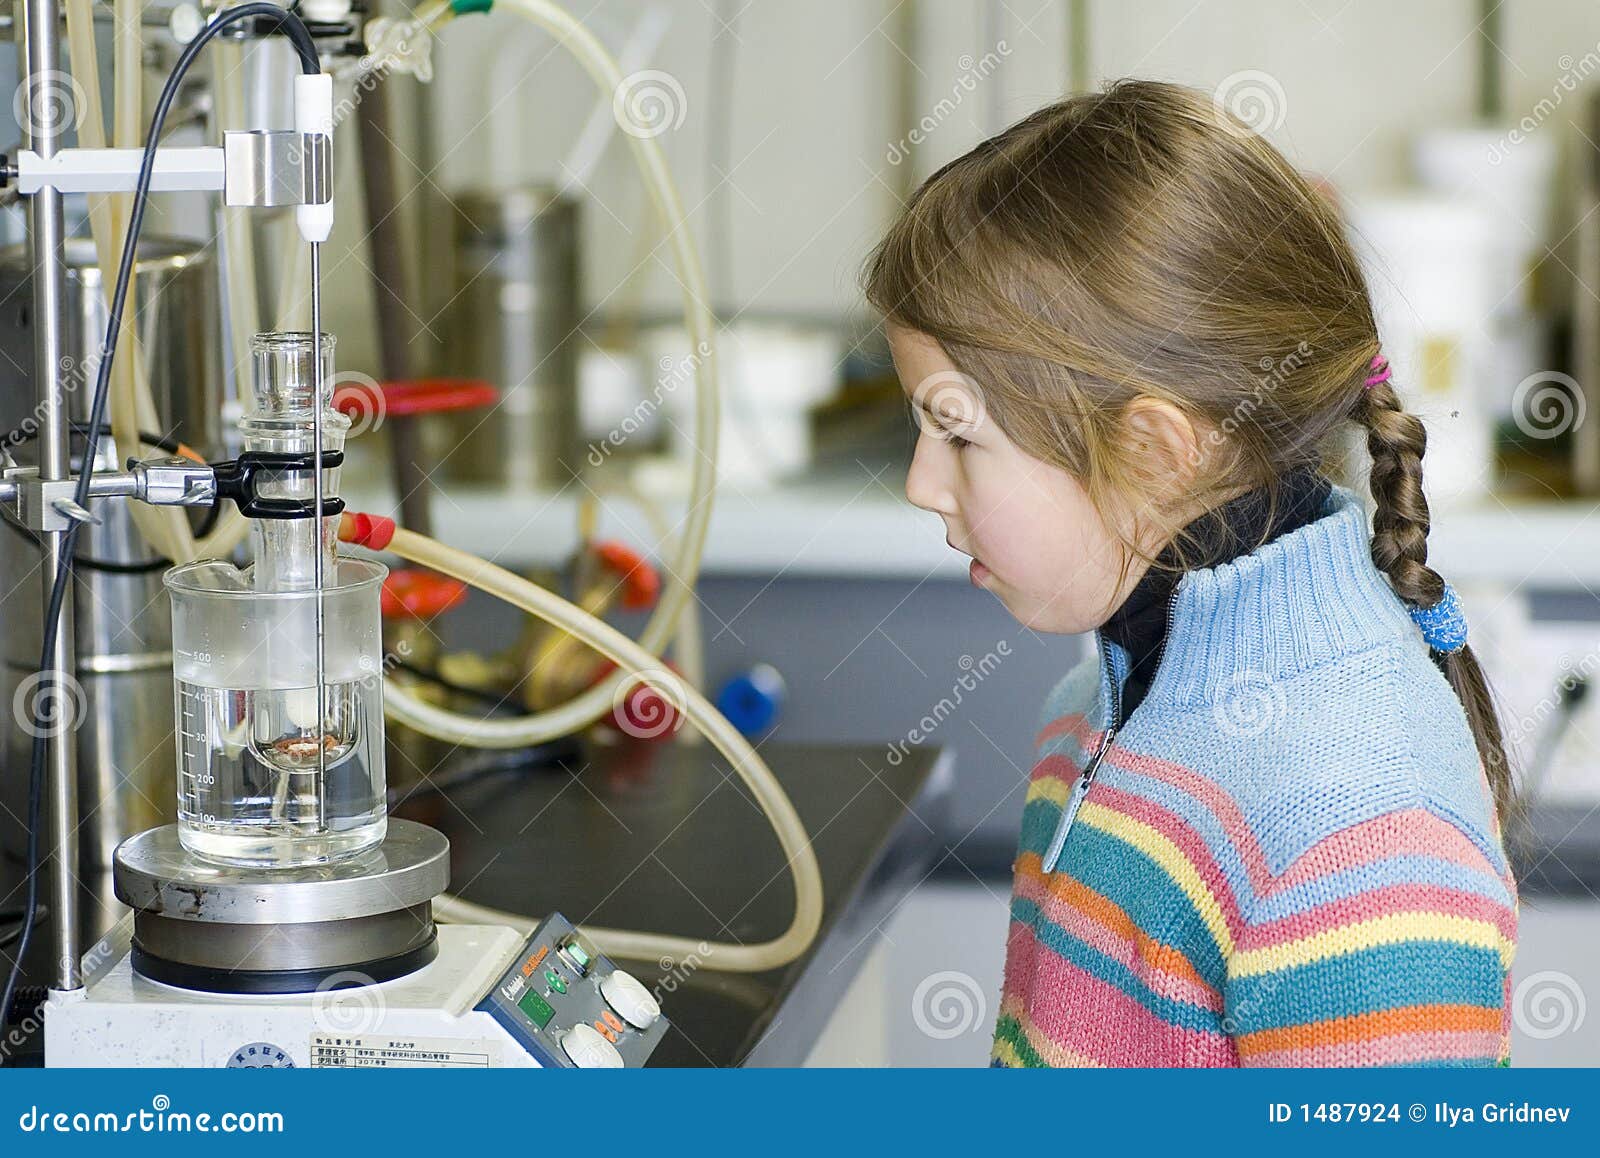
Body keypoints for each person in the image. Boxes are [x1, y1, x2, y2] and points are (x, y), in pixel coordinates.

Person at [864, 79, 1517, 1067]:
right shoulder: (1097, 705)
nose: (921, 485)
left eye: (956, 434)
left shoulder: (1360, 832)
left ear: (1159, 451)